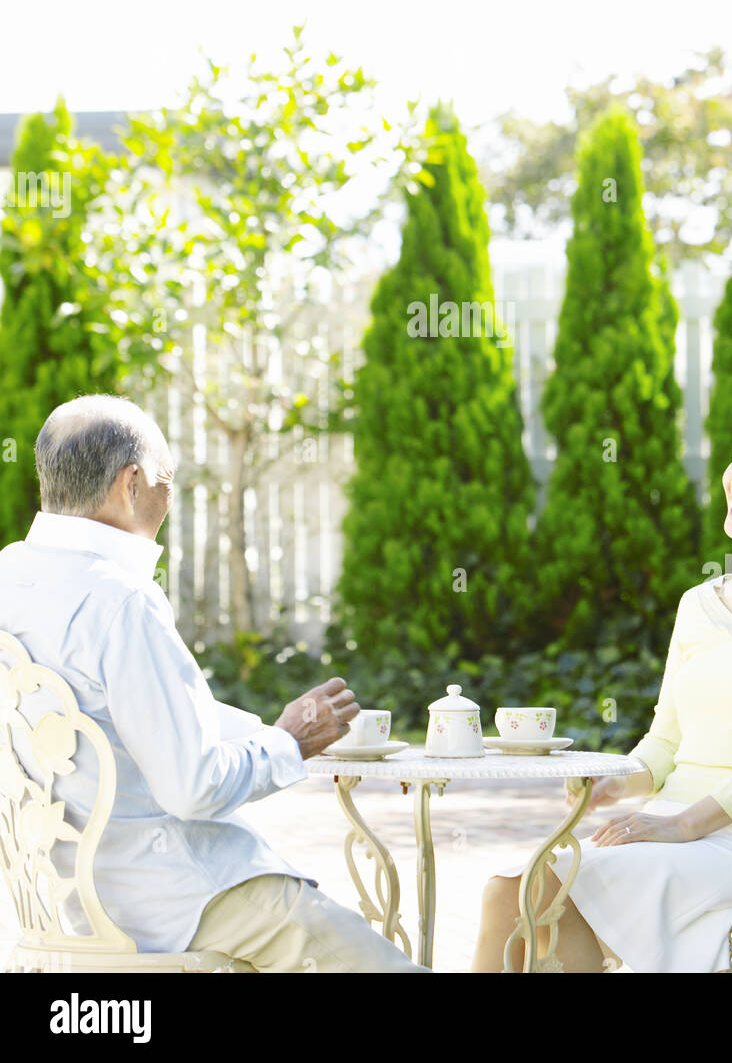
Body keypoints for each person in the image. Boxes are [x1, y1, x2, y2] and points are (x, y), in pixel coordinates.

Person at [0, 394, 427, 973]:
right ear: (133, 483)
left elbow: (114, 713)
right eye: (166, 480)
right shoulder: (121, 600)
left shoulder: (10, 576)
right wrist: (288, 743)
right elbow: (193, 788)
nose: (168, 496)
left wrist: (267, 728)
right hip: (171, 896)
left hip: (60, 904)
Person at [472, 407, 732, 973]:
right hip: (669, 826)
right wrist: (614, 784)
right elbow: (665, 740)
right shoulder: (699, 603)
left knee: (548, 899)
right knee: (506, 892)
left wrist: (681, 826)